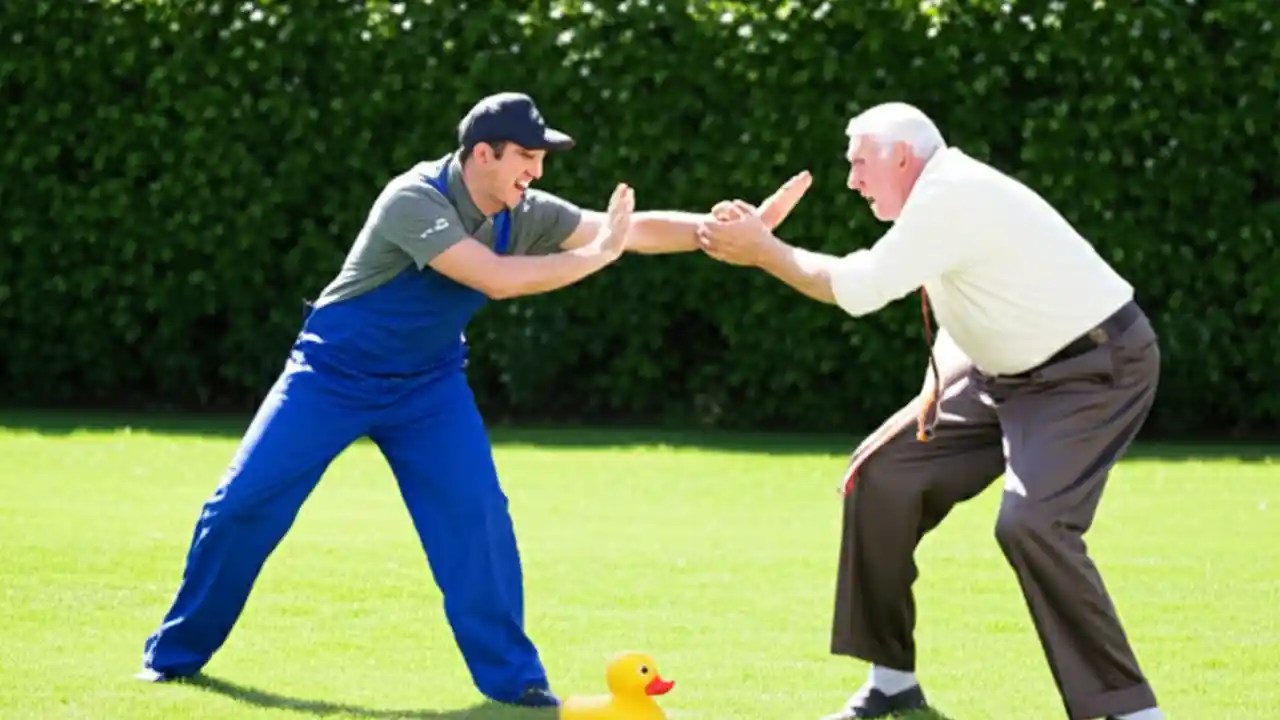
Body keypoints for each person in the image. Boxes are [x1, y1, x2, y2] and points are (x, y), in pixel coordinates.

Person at [136, 91, 811, 707]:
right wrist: (598, 255)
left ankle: (515, 684)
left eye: (541, 160)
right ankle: (175, 657)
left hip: (428, 388)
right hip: (331, 375)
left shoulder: (524, 212)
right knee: (243, 506)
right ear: (481, 154)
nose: (537, 174)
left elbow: (624, 229)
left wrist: (726, 233)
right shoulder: (413, 199)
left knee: (477, 523)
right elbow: (494, 278)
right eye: (527, 158)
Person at [697, 102, 1164, 720]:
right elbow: (965, 294)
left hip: (1094, 371)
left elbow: (858, 289)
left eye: (860, 164)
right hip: (1001, 376)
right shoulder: (937, 200)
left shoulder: (953, 193)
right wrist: (934, 386)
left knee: (1031, 525)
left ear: (901, 156)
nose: (852, 180)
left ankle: (1129, 713)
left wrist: (765, 250)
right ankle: (892, 682)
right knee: (881, 473)